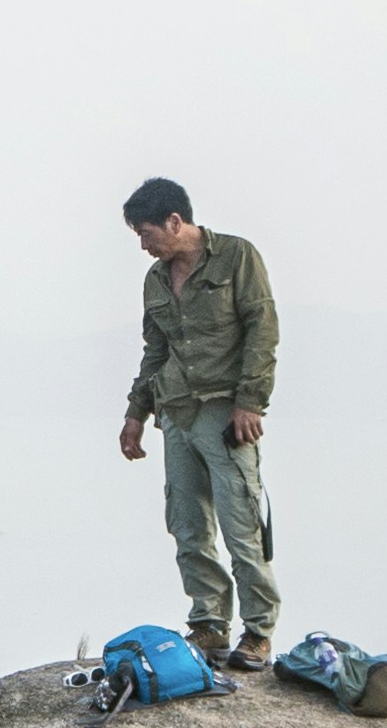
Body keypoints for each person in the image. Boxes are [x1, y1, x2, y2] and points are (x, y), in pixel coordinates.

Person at [115, 176, 281, 667]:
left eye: (147, 234)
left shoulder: (237, 257)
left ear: (175, 220)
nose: (144, 246)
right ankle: (209, 623)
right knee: (187, 526)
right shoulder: (156, 280)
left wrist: (251, 402)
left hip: (225, 413)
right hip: (176, 412)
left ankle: (258, 631)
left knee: (241, 524)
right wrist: (135, 413)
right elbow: (156, 350)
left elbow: (262, 330)